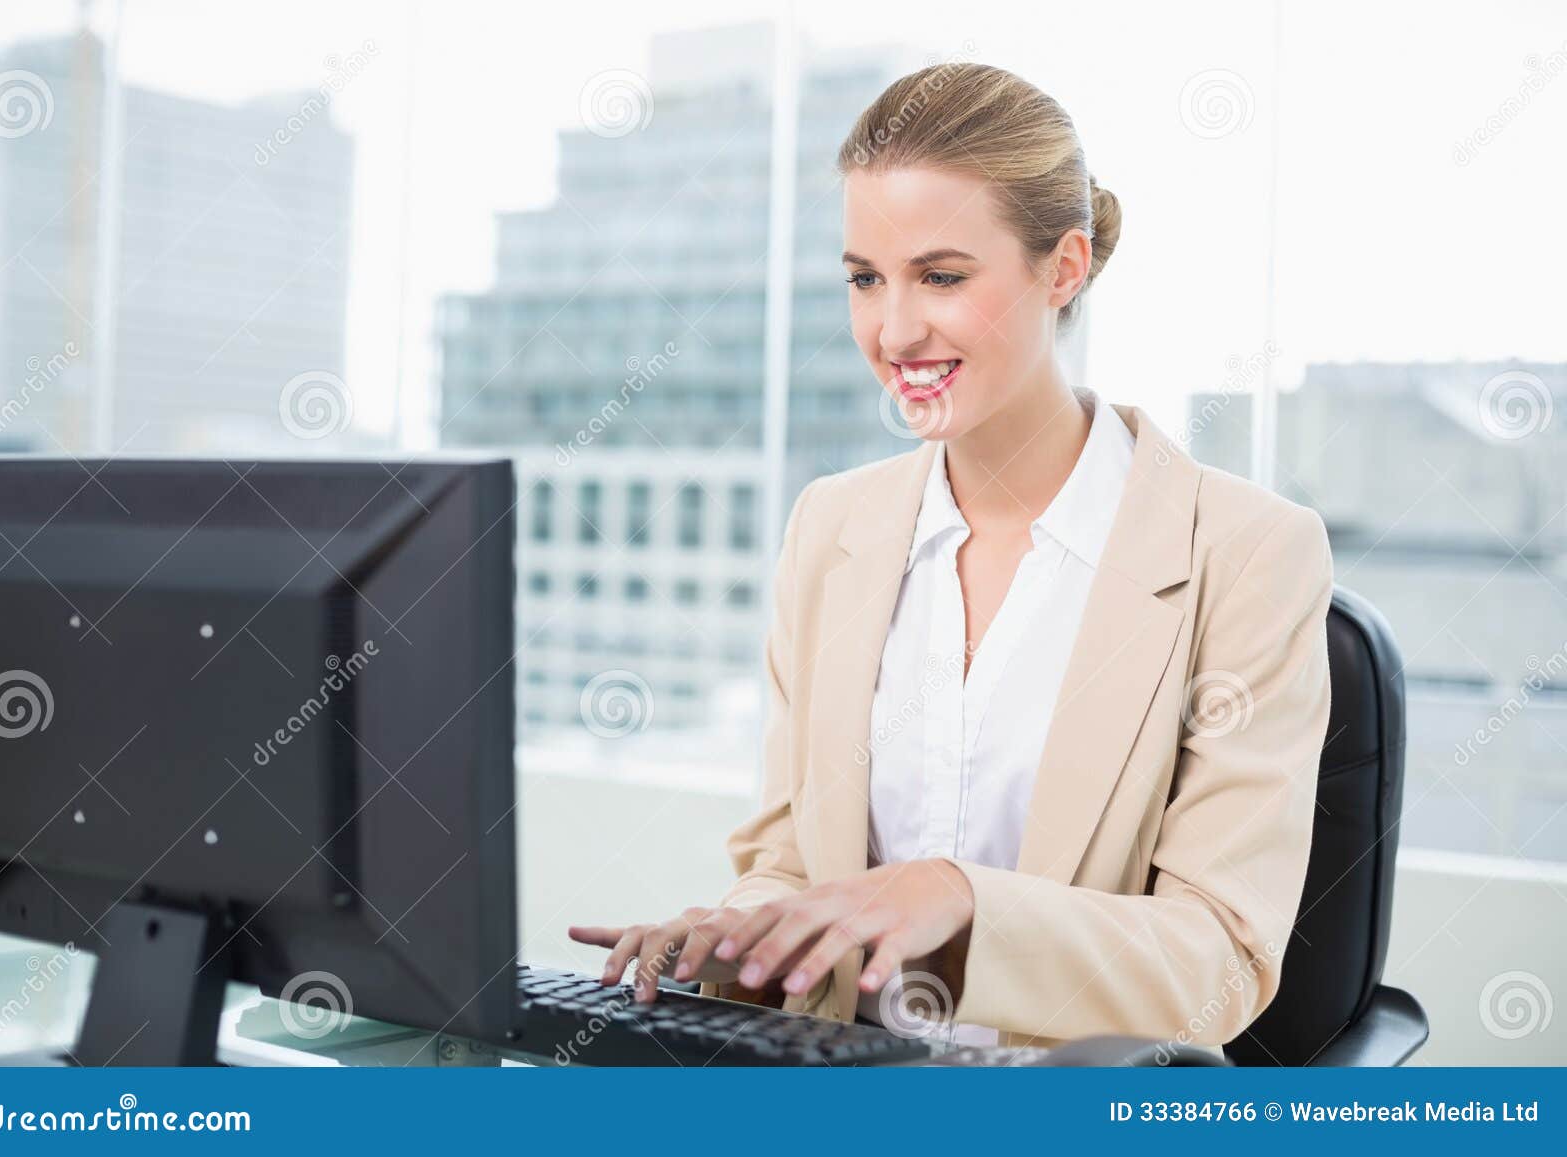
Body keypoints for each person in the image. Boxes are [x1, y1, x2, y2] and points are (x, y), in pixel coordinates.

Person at [569, 62, 1332, 1054]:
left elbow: (1218, 958)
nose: (892, 330)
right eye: (863, 278)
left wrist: (961, 898)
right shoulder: (832, 528)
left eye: (941, 276)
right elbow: (790, 860)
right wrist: (739, 937)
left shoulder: (1244, 552)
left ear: (1062, 268)